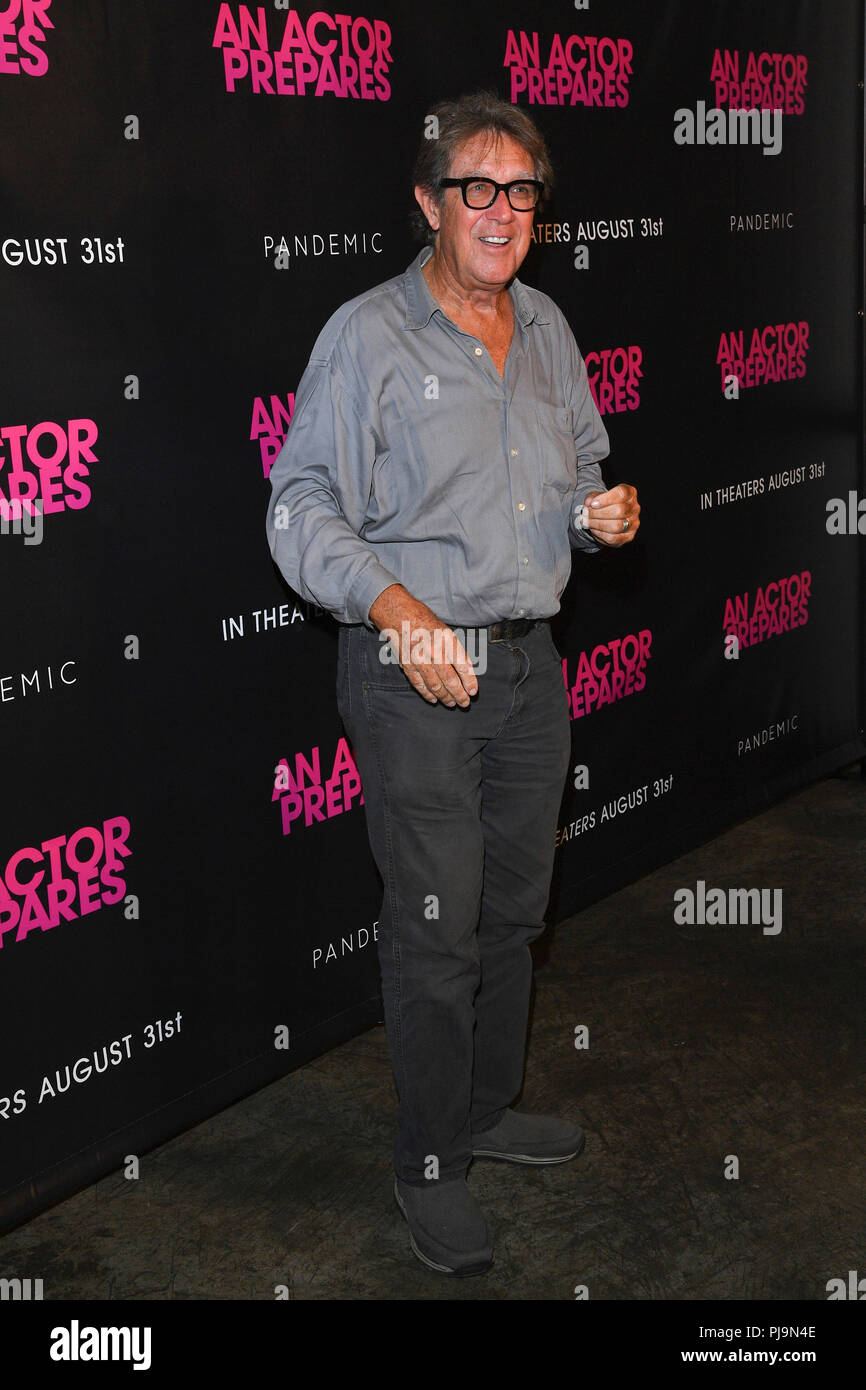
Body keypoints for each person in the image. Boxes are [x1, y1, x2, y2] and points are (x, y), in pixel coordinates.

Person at [266, 91, 640, 1277]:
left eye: (520, 190)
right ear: (428, 203)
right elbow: (300, 506)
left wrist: (599, 514)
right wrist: (398, 610)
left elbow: (579, 468)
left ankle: (481, 1108)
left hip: (529, 673)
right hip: (413, 676)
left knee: (513, 913)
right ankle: (428, 1159)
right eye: (475, 187)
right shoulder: (365, 337)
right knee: (434, 927)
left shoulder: (545, 328)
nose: (500, 209)